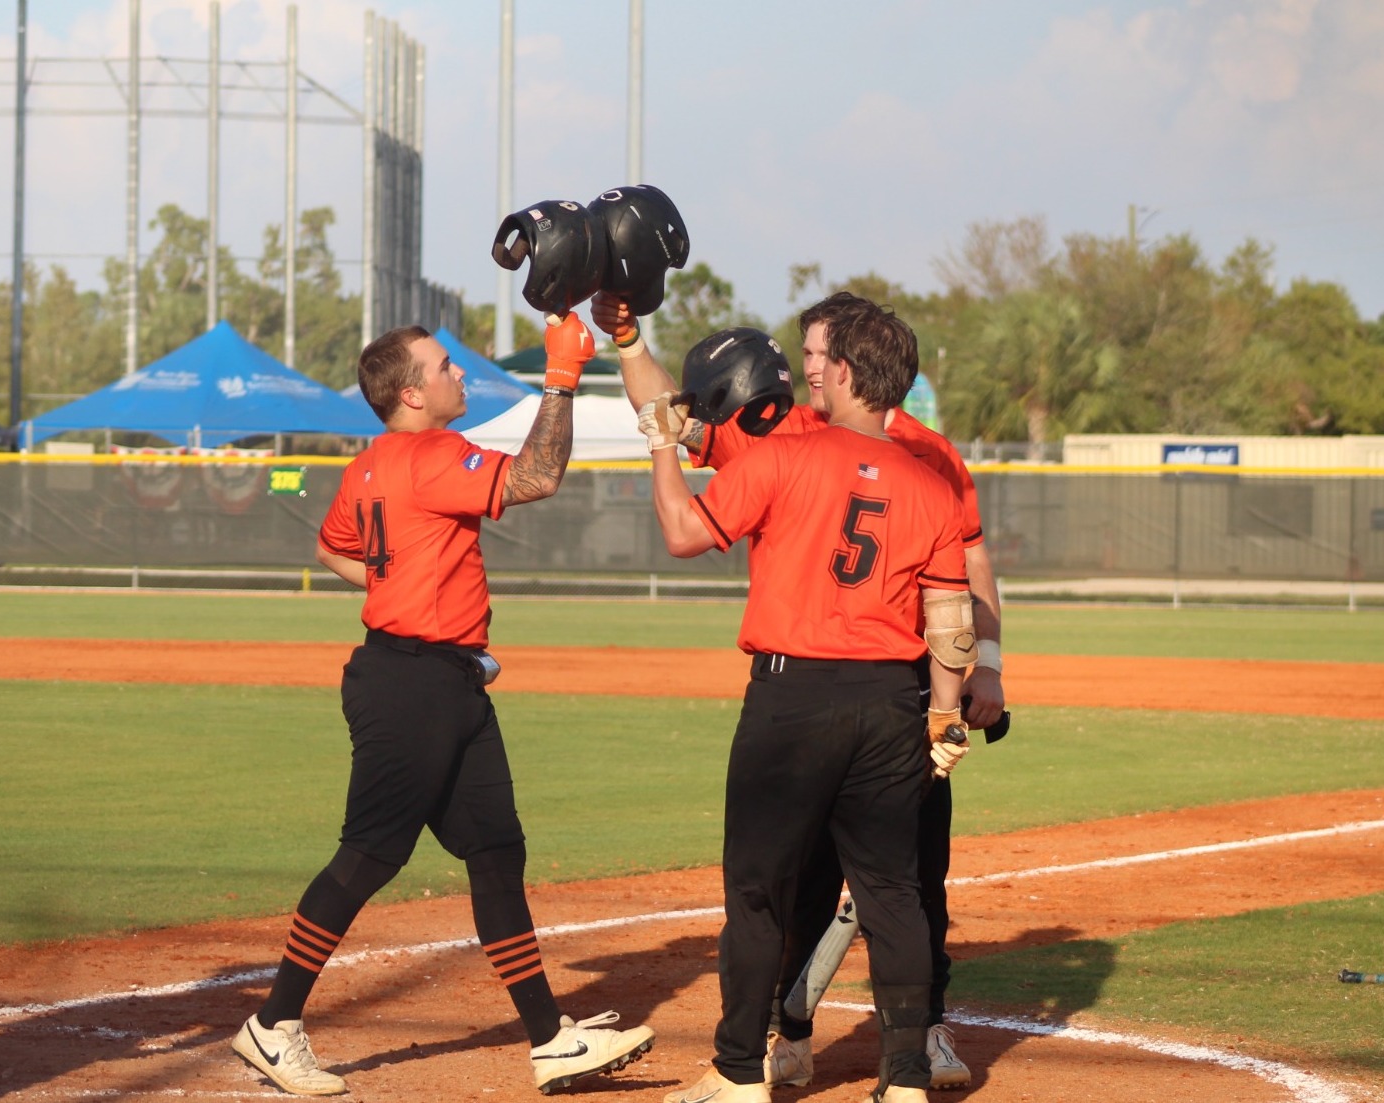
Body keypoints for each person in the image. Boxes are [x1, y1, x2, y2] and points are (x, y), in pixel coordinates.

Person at [231, 313, 655, 1097]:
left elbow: (332, 547)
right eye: (444, 365)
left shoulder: (369, 465)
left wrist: (403, 598)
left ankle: (547, 1038)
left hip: (444, 680)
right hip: (411, 687)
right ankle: (272, 1022)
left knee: (496, 853)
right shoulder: (434, 453)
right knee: (368, 854)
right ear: (412, 394)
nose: (458, 372)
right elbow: (536, 477)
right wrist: (560, 377)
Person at [594, 289, 1005, 1091]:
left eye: (818, 358)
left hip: (792, 695)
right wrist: (947, 713)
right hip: (894, 701)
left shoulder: (781, 453)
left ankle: (740, 1071)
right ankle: (905, 1076)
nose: (805, 371)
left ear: (845, 371)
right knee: (895, 896)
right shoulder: (926, 483)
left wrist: (658, 448)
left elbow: (683, 531)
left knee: (757, 891)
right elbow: (951, 616)